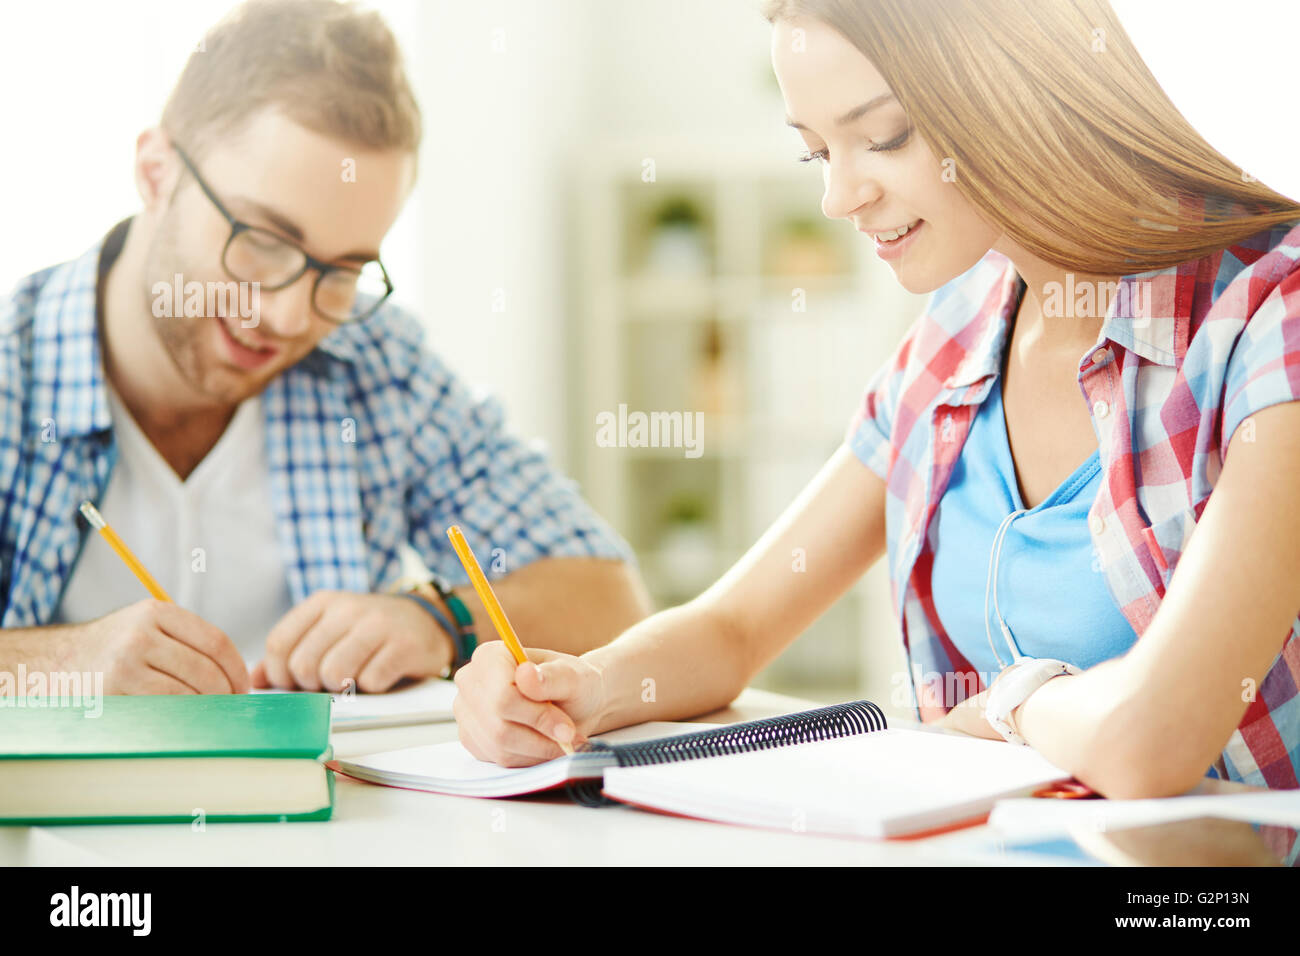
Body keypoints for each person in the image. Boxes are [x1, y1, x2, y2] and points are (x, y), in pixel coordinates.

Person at [452, 0, 1300, 799]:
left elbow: (1156, 737)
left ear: (1017, 84)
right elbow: (735, 629)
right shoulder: (958, 335)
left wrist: (1016, 701)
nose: (838, 196)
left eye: (884, 138)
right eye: (817, 152)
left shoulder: (1267, 318)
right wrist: (582, 690)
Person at [0, 0, 650, 697]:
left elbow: (611, 597)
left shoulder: (378, 369)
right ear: (157, 173)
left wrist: (438, 620)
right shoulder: (15, 373)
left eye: (339, 271)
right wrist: (54, 667)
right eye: (263, 240)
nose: (285, 316)